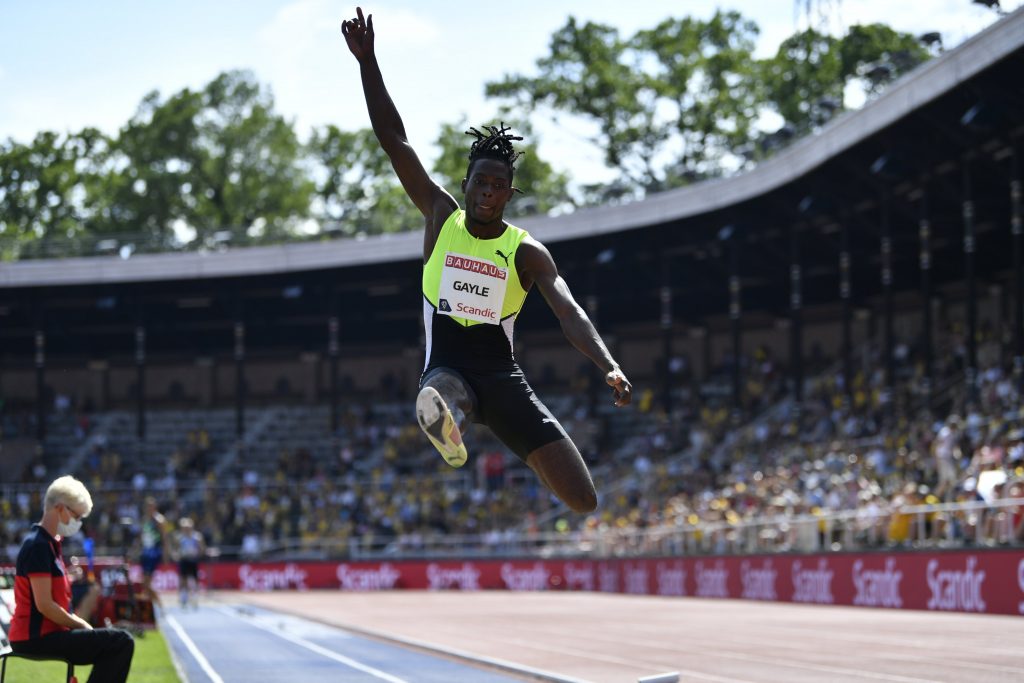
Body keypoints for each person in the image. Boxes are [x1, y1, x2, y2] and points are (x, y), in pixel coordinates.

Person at [342, 7, 633, 513]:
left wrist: (607, 364)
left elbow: (569, 312)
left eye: (499, 187)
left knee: (583, 499)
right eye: (481, 183)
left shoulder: (525, 251)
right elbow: (395, 141)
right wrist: (368, 62)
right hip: (447, 367)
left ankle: (465, 422)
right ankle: (447, 423)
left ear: (509, 194)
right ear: (466, 185)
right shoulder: (440, 215)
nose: (488, 194)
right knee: (446, 392)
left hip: (502, 378)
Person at [8, 475, 134, 683]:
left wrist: (69, 579)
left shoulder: (50, 543)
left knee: (116, 643)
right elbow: (45, 605)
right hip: (34, 637)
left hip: (46, 634)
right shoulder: (37, 545)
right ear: (60, 508)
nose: (78, 523)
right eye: (76, 516)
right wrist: (81, 624)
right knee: (120, 642)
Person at [137, 496, 167, 609]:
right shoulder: (144, 520)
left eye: (151, 506)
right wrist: (136, 550)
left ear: (155, 507)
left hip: (154, 553)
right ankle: (152, 606)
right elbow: (141, 537)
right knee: (145, 584)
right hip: (145, 553)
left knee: (146, 583)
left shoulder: (159, 520)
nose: (149, 508)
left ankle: (159, 605)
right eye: (147, 506)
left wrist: (165, 554)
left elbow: (164, 538)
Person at [172, 517, 205, 609]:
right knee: (183, 579)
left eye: (188, 527)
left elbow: (202, 548)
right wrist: (176, 555)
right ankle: (184, 598)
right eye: (184, 527)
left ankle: (194, 598)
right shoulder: (179, 538)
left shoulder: (197, 537)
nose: (186, 529)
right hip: (184, 560)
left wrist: (198, 553)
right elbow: (175, 549)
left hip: (193, 560)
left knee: (194, 580)